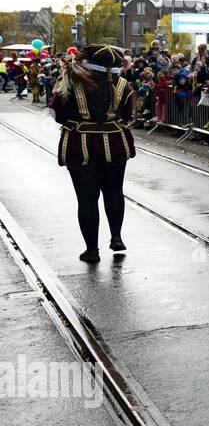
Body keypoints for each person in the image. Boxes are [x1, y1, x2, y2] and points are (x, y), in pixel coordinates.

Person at [51, 45, 136, 263]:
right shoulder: (123, 84)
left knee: (87, 199)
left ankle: (92, 250)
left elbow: (58, 114)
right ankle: (116, 237)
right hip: (115, 142)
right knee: (115, 191)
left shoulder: (71, 80)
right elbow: (127, 115)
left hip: (80, 144)